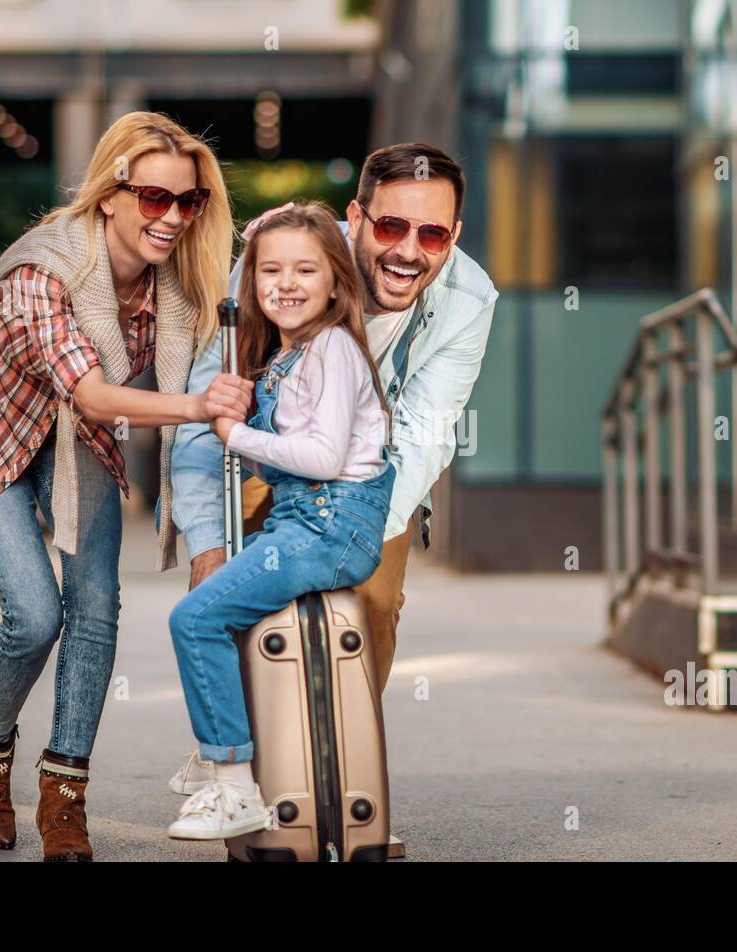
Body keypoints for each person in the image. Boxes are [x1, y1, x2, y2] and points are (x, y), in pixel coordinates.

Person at [168, 143, 498, 857]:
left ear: (454, 236)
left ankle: (341, 785)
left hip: (369, 477)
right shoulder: (283, 260)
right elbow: (210, 404)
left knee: (368, 603)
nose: (409, 251)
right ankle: (248, 779)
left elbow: (424, 435)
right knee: (225, 597)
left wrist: (344, 533)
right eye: (390, 228)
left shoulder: (468, 301)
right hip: (263, 452)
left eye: (432, 233)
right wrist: (206, 544)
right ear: (356, 217)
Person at [0, 111, 235, 861]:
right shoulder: (46, 268)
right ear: (110, 197)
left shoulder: (178, 288)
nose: (172, 218)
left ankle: (65, 797)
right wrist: (196, 406)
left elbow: (245, 318)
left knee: (94, 605)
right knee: (34, 617)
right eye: (154, 199)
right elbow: (94, 393)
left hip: (75, 440)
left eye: (187, 203)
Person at [165, 202, 394, 839]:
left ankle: (235, 784)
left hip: (327, 526)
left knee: (196, 617)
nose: (286, 284)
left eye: (305, 270)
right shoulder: (294, 352)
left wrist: (236, 435)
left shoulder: (332, 352)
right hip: (305, 520)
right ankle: (226, 747)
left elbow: (321, 457)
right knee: (228, 611)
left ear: (335, 282)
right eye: (270, 270)